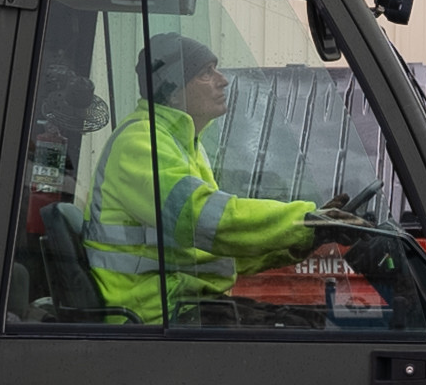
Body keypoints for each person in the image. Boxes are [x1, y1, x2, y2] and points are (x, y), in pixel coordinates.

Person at [82, 33, 319, 323]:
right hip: (153, 315)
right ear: (173, 91)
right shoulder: (141, 142)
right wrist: (305, 221)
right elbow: (206, 221)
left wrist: (300, 241)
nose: (223, 80)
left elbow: (211, 249)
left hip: (182, 303)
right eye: (206, 72)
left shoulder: (184, 145)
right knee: (297, 336)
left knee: (304, 324)